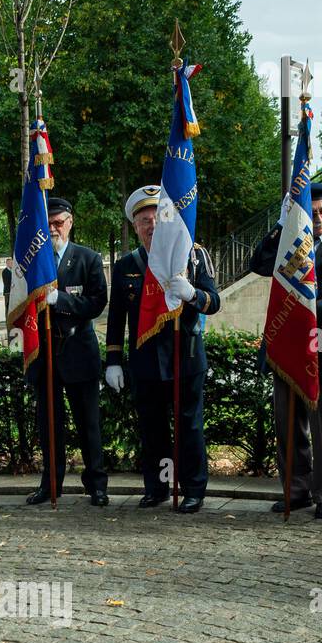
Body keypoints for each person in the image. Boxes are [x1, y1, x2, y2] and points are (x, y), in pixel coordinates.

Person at [250, 181, 322, 519]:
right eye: (312, 212)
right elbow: (258, 263)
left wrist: (310, 308)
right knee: (287, 424)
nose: (319, 218)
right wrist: (280, 225)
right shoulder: (290, 241)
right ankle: (296, 489)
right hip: (287, 346)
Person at [105, 185, 220, 512]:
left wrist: (192, 295)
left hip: (187, 358)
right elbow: (116, 318)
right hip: (146, 361)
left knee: (189, 428)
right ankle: (158, 487)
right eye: (144, 220)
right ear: (135, 226)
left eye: (158, 217)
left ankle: (193, 489)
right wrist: (113, 359)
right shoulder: (126, 264)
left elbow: (214, 303)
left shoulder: (192, 257)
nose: (152, 225)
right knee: (152, 429)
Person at [25, 196, 109, 506]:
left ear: (70, 223)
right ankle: (50, 484)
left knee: (89, 424)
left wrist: (61, 299)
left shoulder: (87, 258)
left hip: (78, 350)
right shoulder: (33, 260)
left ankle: (97, 486)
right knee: (49, 426)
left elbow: (97, 303)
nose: (53, 229)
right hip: (44, 355)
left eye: (58, 223)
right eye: (47, 224)